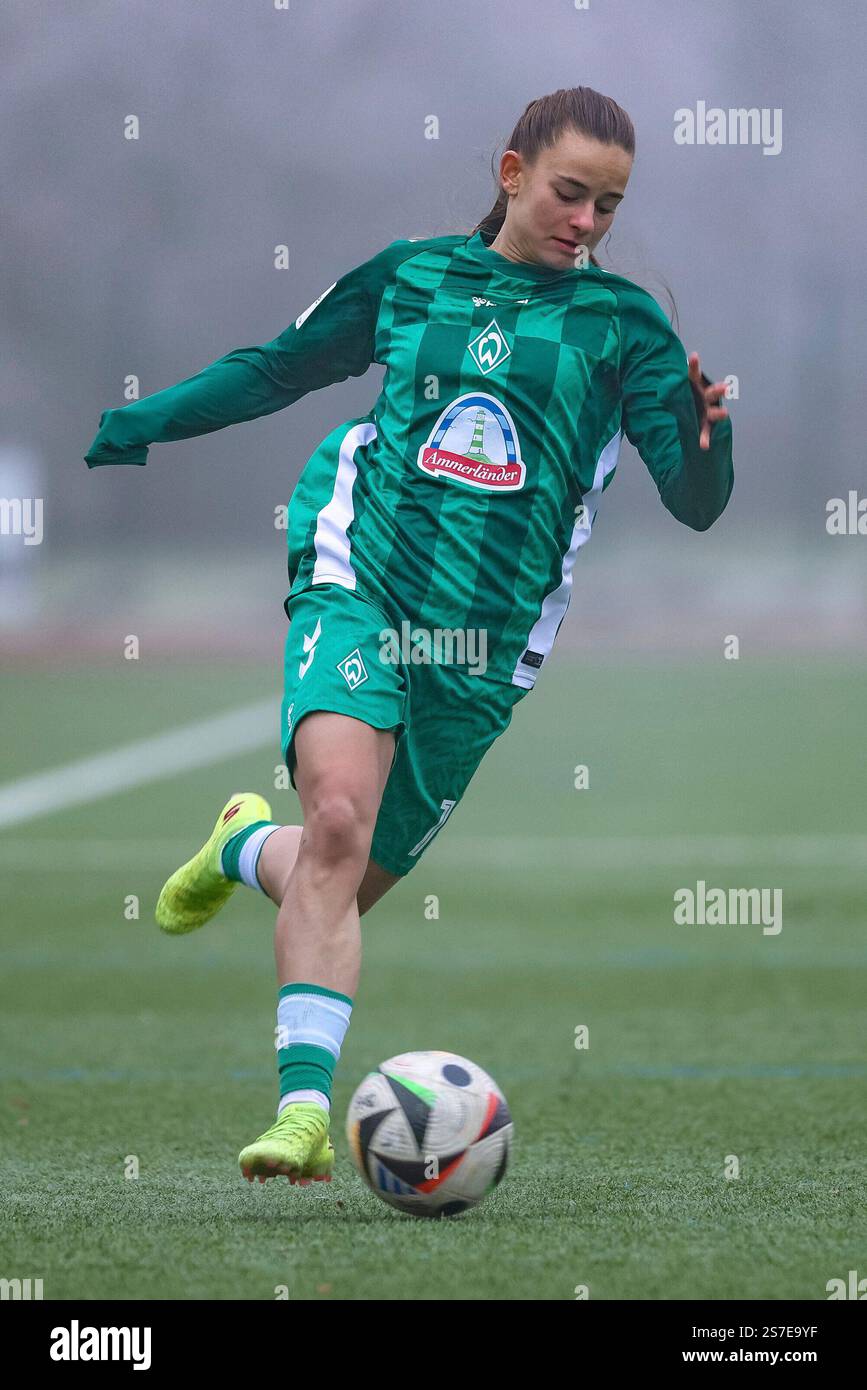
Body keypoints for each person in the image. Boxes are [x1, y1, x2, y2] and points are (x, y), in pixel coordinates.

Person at [84, 86, 733, 1190]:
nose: (587, 222)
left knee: (328, 874)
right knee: (337, 813)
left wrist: (715, 443)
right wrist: (147, 420)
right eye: (570, 193)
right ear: (511, 171)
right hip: (361, 577)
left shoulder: (626, 328)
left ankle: (241, 842)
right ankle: (299, 1113)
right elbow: (277, 367)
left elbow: (698, 498)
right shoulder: (411, 276)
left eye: (610, 207)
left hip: (485, 652)